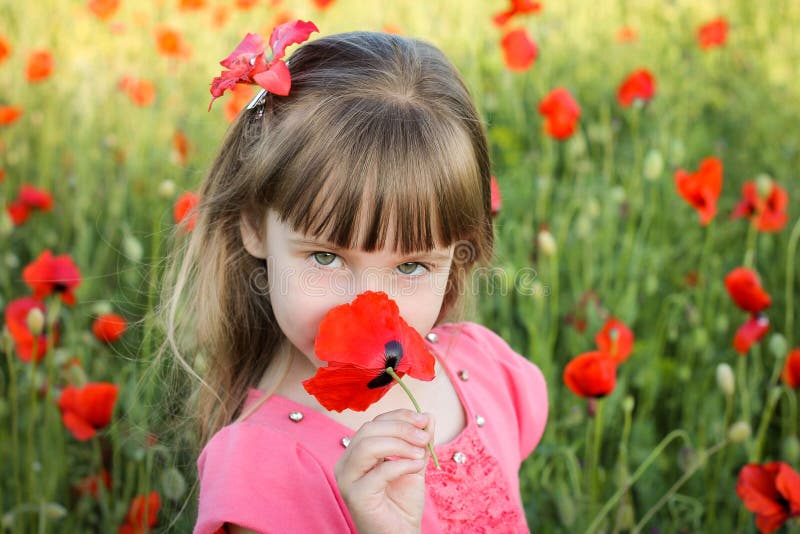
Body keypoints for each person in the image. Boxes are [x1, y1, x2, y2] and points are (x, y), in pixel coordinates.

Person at [163, 24, 548, 534]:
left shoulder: (485, 370)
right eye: (326, 257)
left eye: (411, 266)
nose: (367, 308)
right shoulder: (262, 470)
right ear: (255, 226)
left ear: (456, 255)